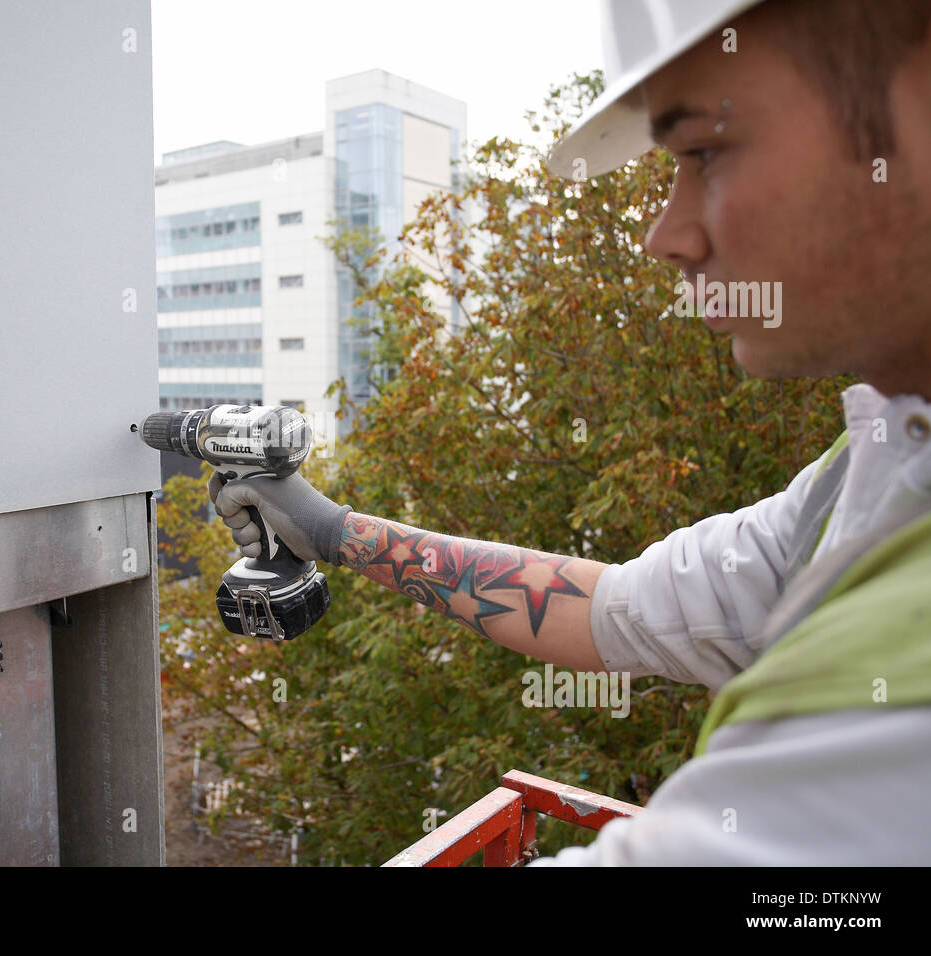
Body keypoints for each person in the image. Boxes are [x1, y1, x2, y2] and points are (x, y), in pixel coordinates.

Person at [208, 0, 931, 864]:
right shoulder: (876, 467)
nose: (666, 234)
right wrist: (330, 529)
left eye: (703, 151)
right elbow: (611, 609)